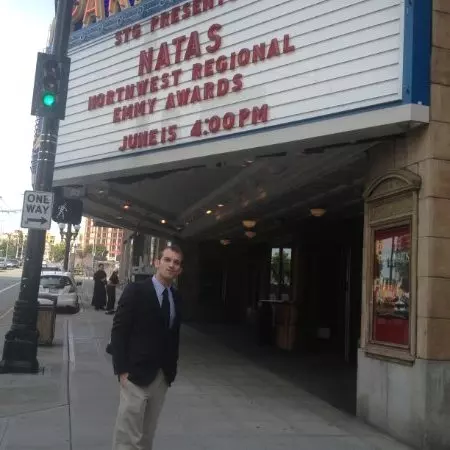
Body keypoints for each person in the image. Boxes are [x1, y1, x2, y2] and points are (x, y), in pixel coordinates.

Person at [110, 245, 183, 450]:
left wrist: (171, 371)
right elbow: (119, 330)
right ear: (156, 263)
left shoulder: (176, 297)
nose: (171, 265)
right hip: (135, 374)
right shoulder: (136, 290)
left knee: (147, 436)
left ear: (180, 269)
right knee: (128, 436)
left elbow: (173, 336)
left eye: (176, 262)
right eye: (167, 260)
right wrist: (121, 370)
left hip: (161, 376)